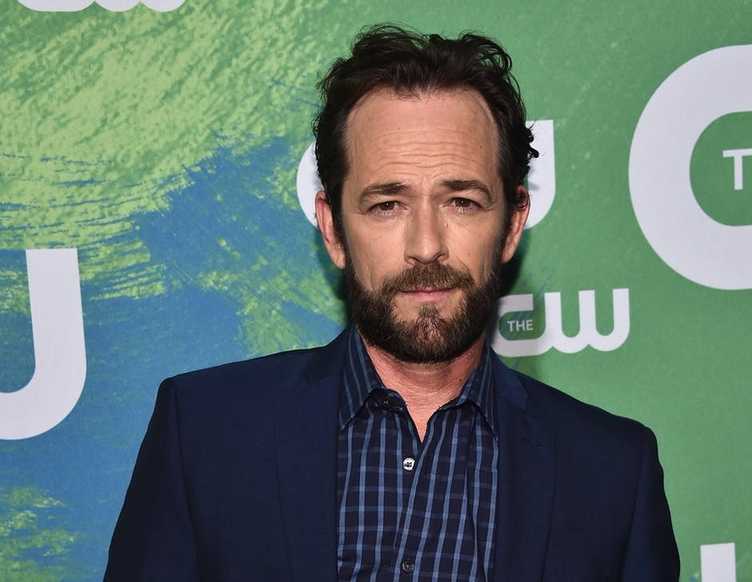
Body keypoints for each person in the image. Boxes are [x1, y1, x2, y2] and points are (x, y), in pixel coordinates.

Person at [105, 25, 679, 581]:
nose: (426, 246)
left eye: (461, 201)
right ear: (333, 228)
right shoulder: (205, 435)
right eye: (387, 205)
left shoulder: (611, 473)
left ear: (511, 225)